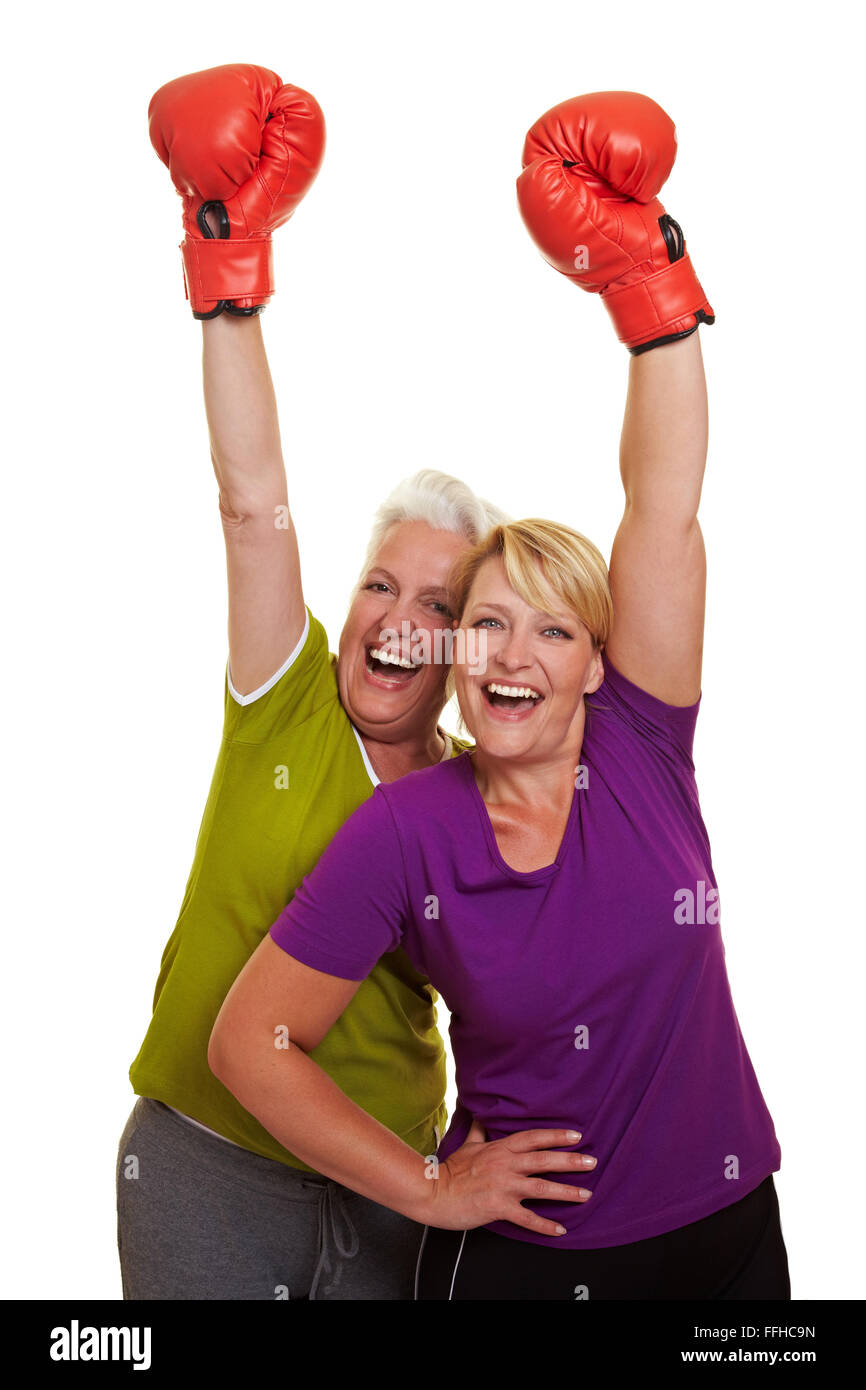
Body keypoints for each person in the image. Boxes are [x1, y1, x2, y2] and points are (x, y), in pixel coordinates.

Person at [208, 91, 790, 1300]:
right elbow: (250, 1042)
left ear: (596, 660)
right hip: (529, 1266)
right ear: (454, 651)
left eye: (552, 627)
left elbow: (664, 504)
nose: (513, 653)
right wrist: (426, 1187)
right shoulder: (406, 829)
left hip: (730, 1236)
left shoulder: (639, 742)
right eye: (484, 622)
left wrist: (646, 291)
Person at [117, 63, 538, 1303]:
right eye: (378, 586)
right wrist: (226, 269)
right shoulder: (286, 693)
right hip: (207, 1166)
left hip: (390, 1184)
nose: (398, 622)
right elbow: (252, 502)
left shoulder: (477, 789)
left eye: (439, 606)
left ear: (470, 643)